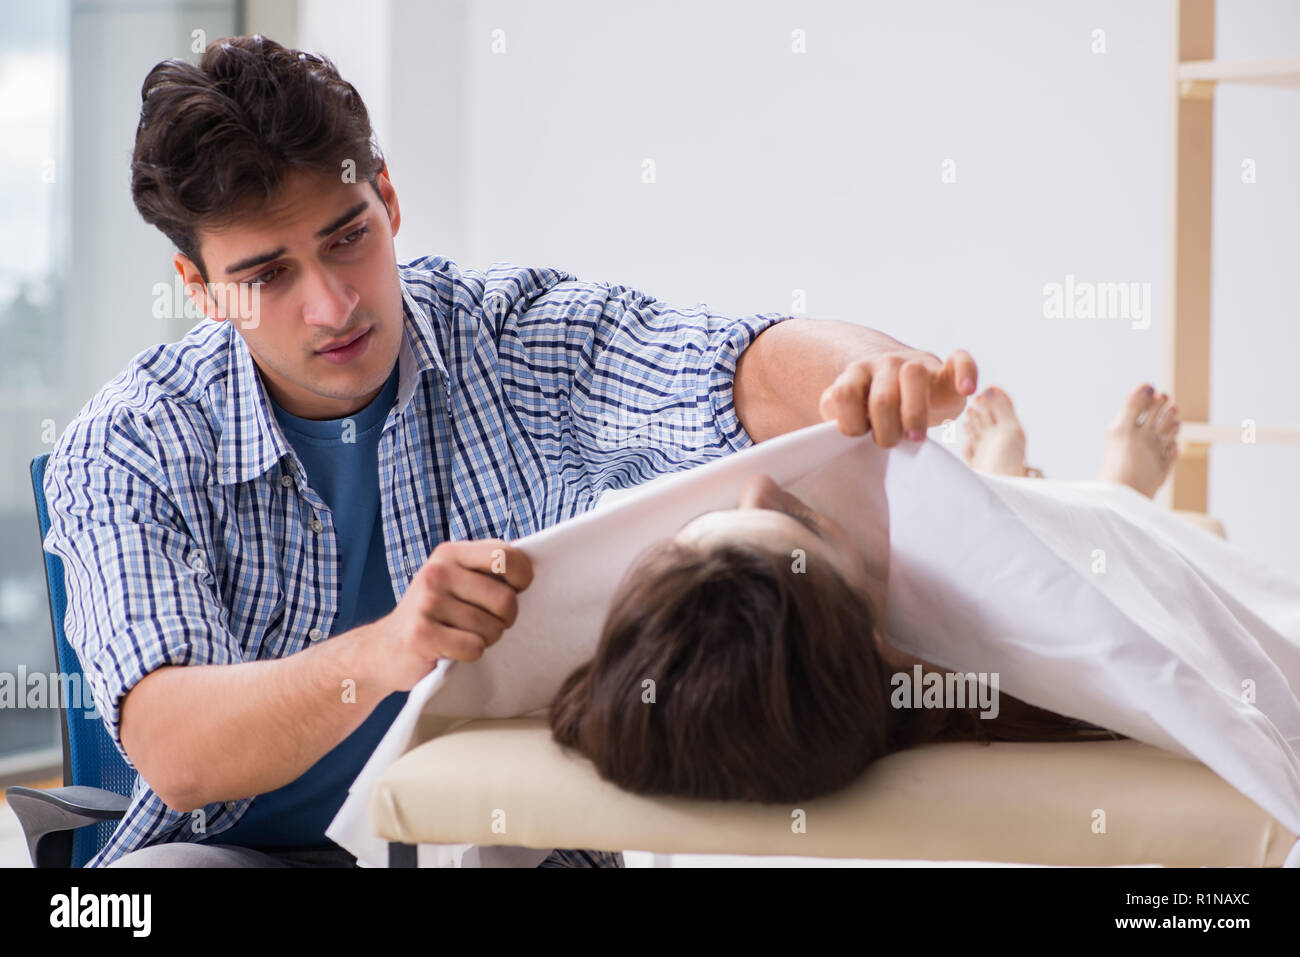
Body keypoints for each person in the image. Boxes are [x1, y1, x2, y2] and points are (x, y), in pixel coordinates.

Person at [43, 34, 981, 868]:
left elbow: (723, 363)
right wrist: (383, 653)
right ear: (200, 289)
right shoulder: (127, 444)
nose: (332, 305)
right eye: (267, 276)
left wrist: (871, 368)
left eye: (348, 238)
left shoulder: (508, 337)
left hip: (500, 825)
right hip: (238, 849)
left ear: (389, 200)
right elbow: (180, 750)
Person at [549, 382, 1185, 803]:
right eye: (795, 523)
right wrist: (1118, 494)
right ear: (873, 636)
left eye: (694, 527)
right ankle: (1112, 493)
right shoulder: (1015, 672)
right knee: (1022, 575)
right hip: (1024, 617)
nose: (758, 484)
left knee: (972, 546)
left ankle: (998, 484)